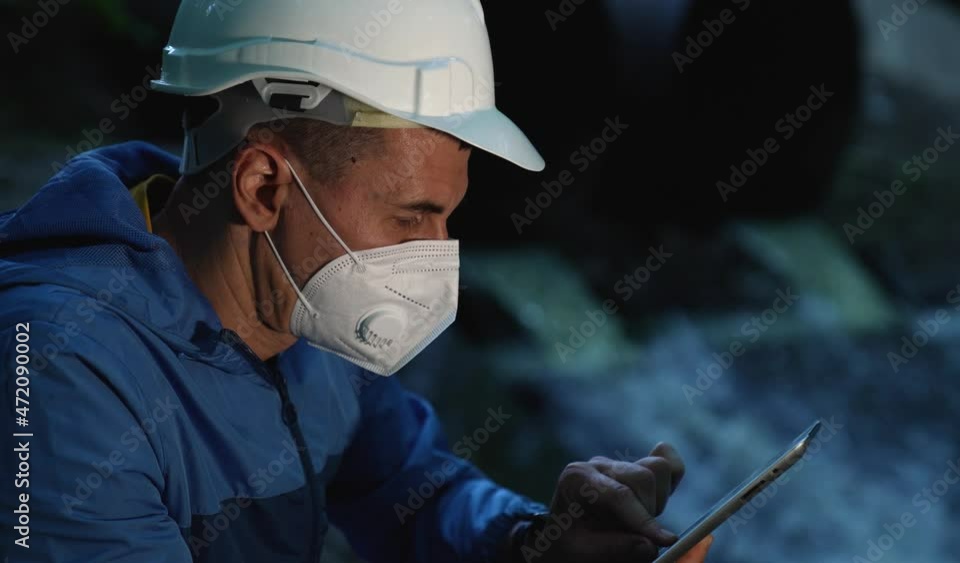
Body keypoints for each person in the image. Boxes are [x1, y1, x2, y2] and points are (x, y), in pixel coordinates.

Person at [0, 1, 713, 562]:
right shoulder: (57, 367)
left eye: (449, 217)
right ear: (263, 186)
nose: (437, 257)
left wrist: (533, 540)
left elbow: (412, 491)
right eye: (411, 216)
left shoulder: (305, 309)